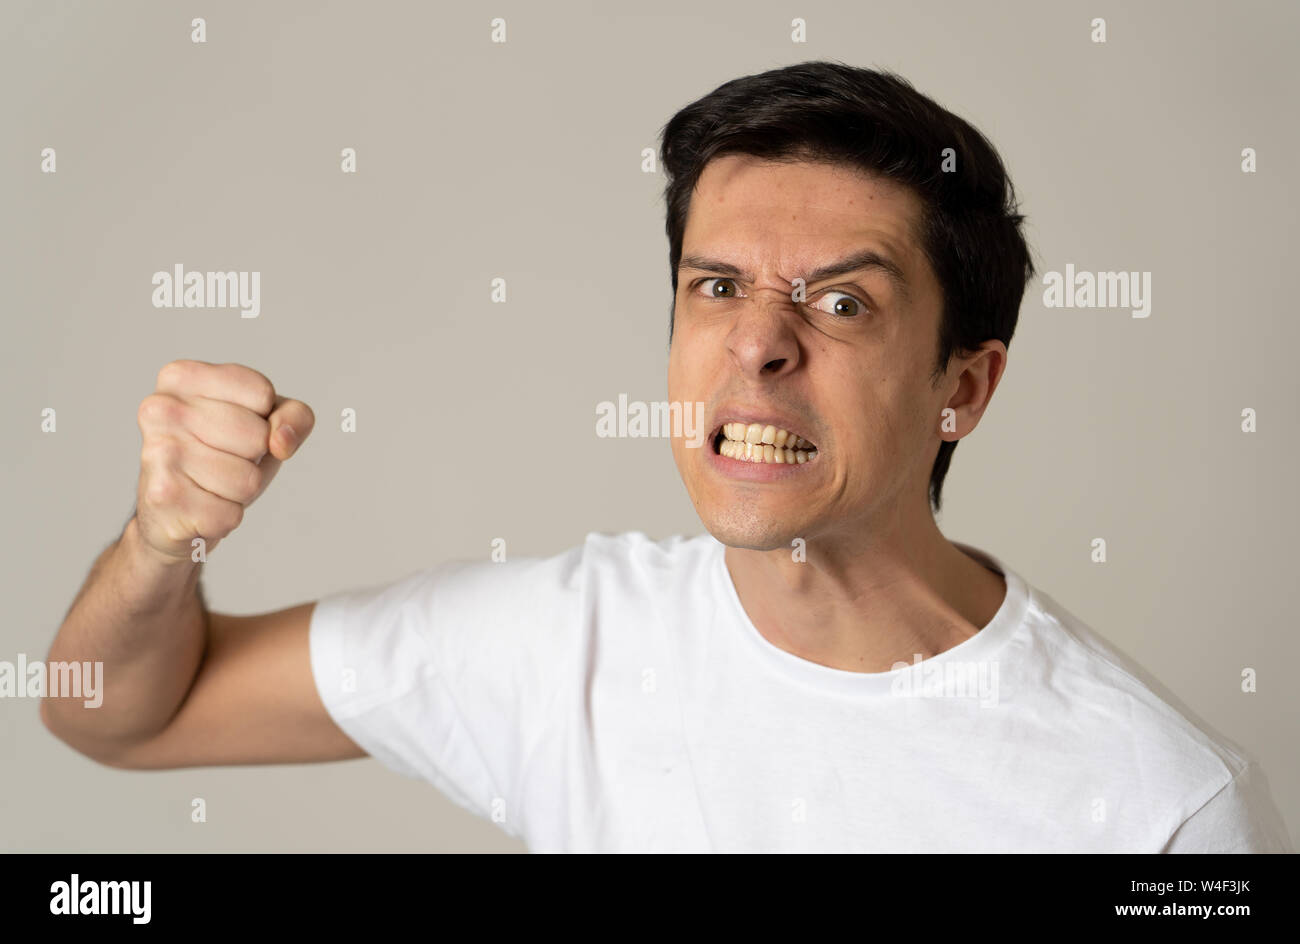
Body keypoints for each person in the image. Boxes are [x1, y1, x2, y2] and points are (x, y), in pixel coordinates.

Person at [42, 60, 1293, 853]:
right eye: (716, 286)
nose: (756, 346)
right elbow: (115, 719)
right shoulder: (565, 646)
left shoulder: (1162, 810)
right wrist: (164, 545)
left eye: (841, 304)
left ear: (961, 386)